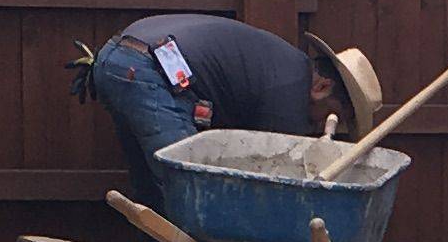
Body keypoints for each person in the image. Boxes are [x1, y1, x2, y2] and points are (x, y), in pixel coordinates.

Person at [87, 15, 387, 216]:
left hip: (116, 59)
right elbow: (270, 183)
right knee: (196, 195)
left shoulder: (281, 67)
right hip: (149, 72)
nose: (323, 128)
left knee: (152, 188)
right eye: (331, 116)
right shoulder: (289, 94)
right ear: (322, 87)